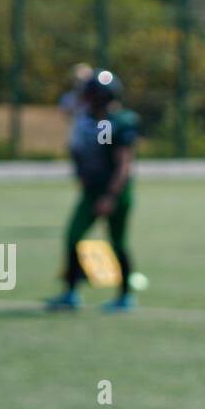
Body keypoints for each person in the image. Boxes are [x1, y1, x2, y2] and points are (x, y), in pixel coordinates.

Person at [46, 69, 141, 312]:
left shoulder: (118, 122)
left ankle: (125, 295)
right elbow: (82, 153)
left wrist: (110, 195)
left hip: (114, 193)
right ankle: (70, 292)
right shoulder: (89, 121)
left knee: (117, 242)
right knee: (73, 236)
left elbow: (123, 164)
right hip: (91, 192)